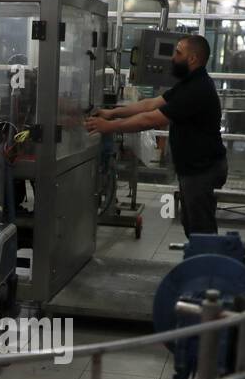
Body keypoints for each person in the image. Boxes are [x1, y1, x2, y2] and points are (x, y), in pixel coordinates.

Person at [85, 34, 227, 236]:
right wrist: (112, 112)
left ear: (193, 58)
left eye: (178, 52)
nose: (172, 58)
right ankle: (201, 263)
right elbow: (150, 104)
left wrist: (109, 126)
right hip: (195, 168)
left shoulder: (197, 89)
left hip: (202, 170)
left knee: (201, 230)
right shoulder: (189, 82)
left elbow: (150, 120)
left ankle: (209, 265)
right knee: (193, 226)